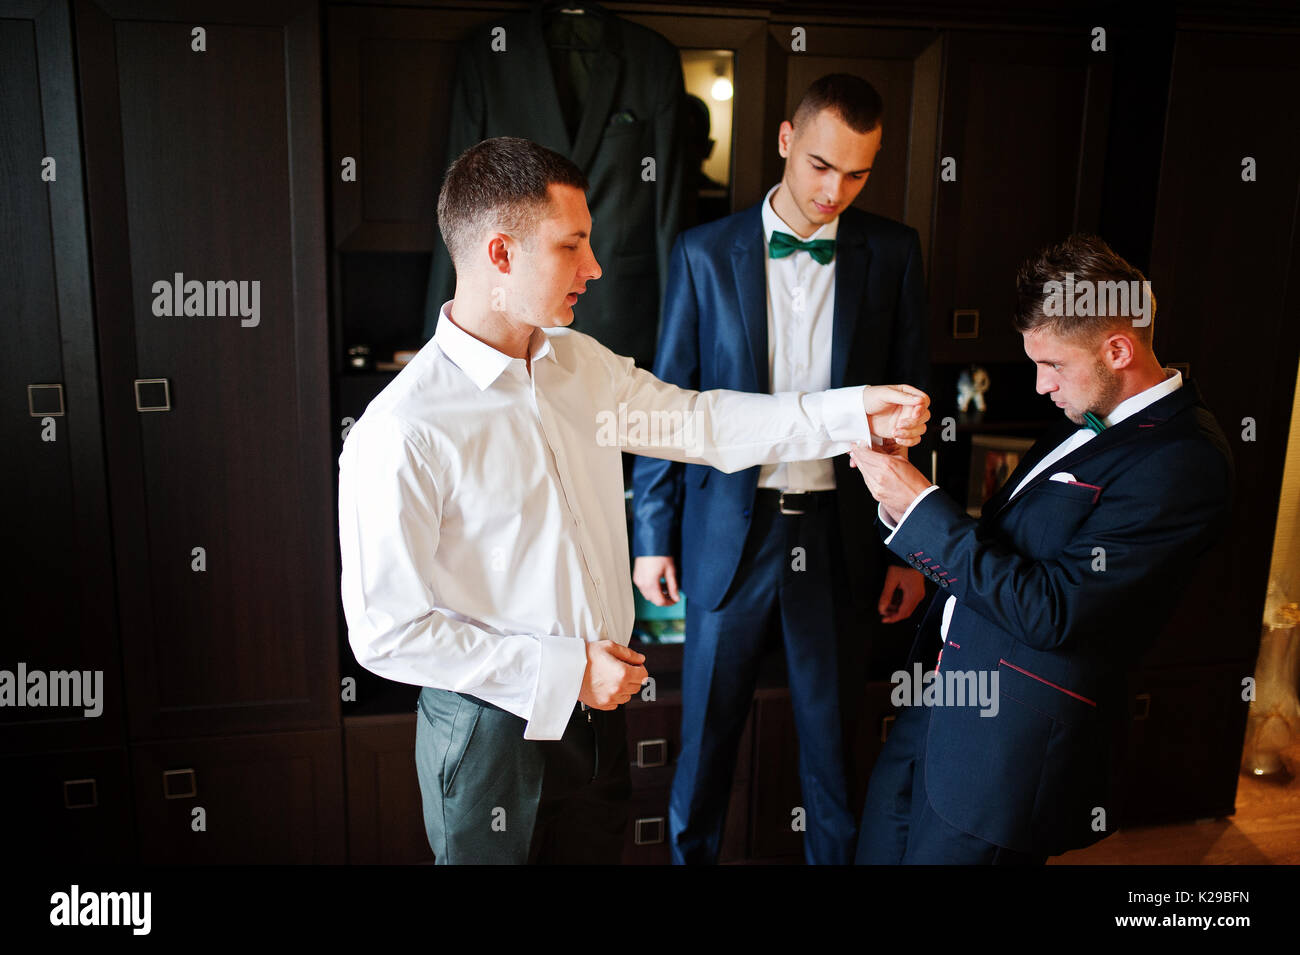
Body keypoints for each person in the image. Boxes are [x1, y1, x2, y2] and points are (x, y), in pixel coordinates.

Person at [337, 136, 930, 864]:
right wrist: (563, 672)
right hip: (491, 735)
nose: (593, 267)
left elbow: (704, 422)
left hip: (598, 715)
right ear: (500, 254)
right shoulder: (401, 430)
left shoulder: (579, 366)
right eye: (572, 245)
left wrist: (855, 410)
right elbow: (385, 632)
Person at [849, 234, 1234, 864]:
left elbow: (1054, 611)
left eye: (1051, 365)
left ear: (1117, 349)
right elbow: (1005, 545)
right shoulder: (1088, 414)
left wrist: (921, 505)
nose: (1038, 385)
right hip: (946, 700)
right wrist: (899, 501)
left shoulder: (1185, 462)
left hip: (1006, 752)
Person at [631, 73, 930, 864]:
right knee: (704, 743)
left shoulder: (895, 253)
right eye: (823, 165)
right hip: (730, 528)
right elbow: (669, 399)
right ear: (787, 142)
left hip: (842, 538)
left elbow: (912, 411)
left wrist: (912, 546)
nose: (837, 190)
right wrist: (650, 533)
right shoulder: (701, 252)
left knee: (834, 749)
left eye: (859, 173)